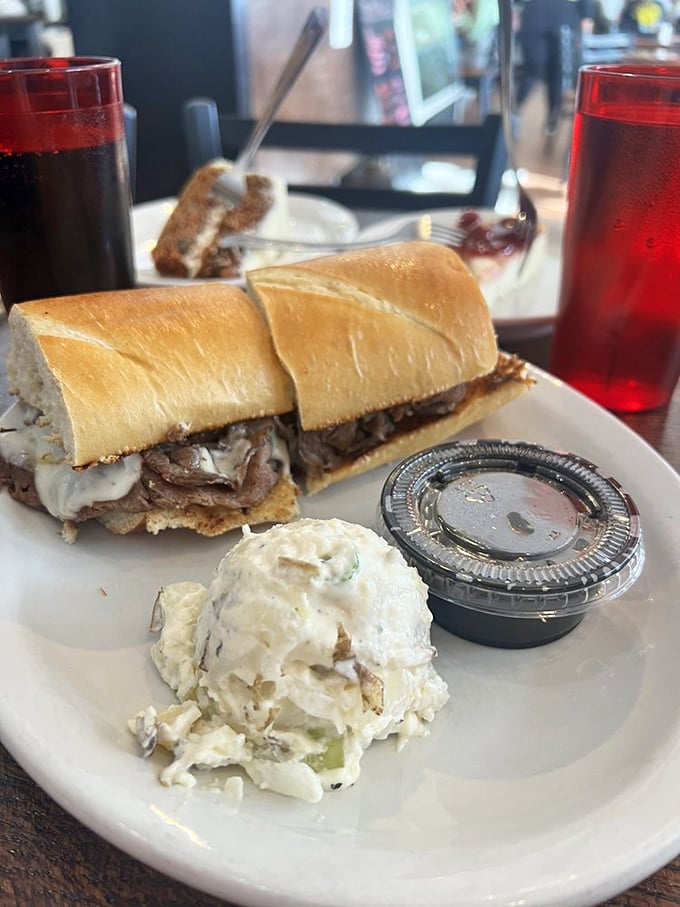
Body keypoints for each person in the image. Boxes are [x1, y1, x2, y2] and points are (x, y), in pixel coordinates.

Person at [514, 0, 595, 135]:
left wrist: (587, 16)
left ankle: (552, 117)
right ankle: (514, 112)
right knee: (533, 68)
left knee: (559, 74)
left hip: (566, 18)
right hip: (534, 15)